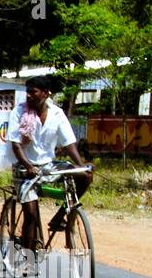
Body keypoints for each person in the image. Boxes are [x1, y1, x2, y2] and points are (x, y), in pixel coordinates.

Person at [7, 76, 93, 259]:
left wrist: (81, 166)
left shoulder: (56, 113)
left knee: (85, 177)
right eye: (27, 92)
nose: (29, 95)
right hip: (25, 169)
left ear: (46, 93)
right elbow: (16, 146)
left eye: (33, 92)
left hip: (48, 166)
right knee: (30, 213)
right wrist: (28, 166)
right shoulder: (19, 112)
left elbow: (69, 144)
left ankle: (59, 216)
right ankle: (28, 257)